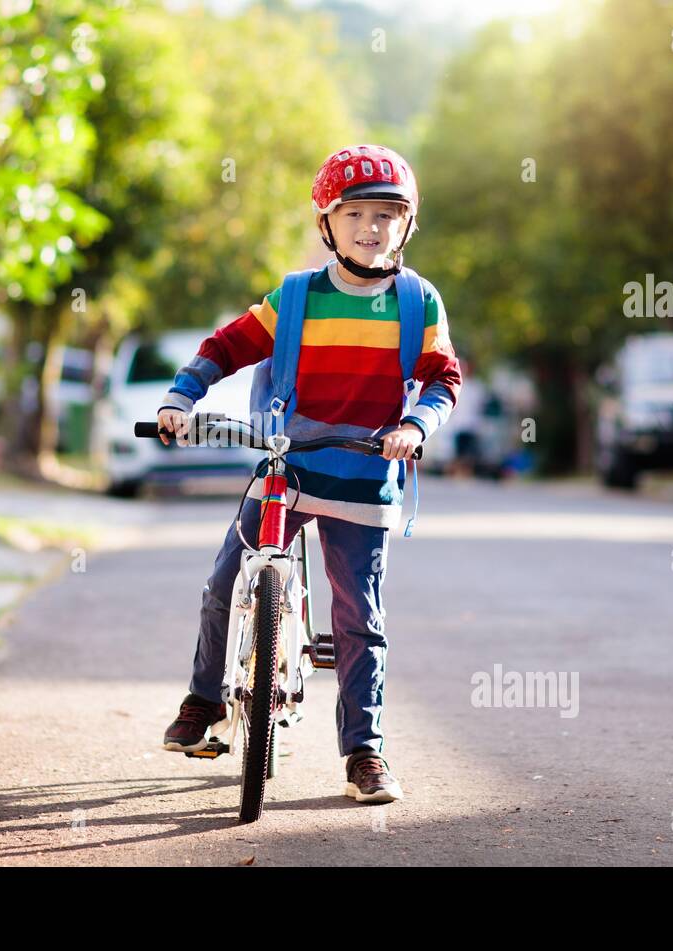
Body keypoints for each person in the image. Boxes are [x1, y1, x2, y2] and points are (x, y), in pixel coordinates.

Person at [155, 145, 464, 803]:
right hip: (285, 468)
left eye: (388, 215)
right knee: (223, 581)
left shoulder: (416, 301)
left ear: (407, 225)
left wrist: (415, 428)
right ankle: (204, 702)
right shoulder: (296, 297)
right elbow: (226, 346)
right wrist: (182, 399)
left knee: (358, 621)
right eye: (355, 213)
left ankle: (365, 754)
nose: (371, 228)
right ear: (327, 221)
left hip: (366, 473)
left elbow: (443, 379)